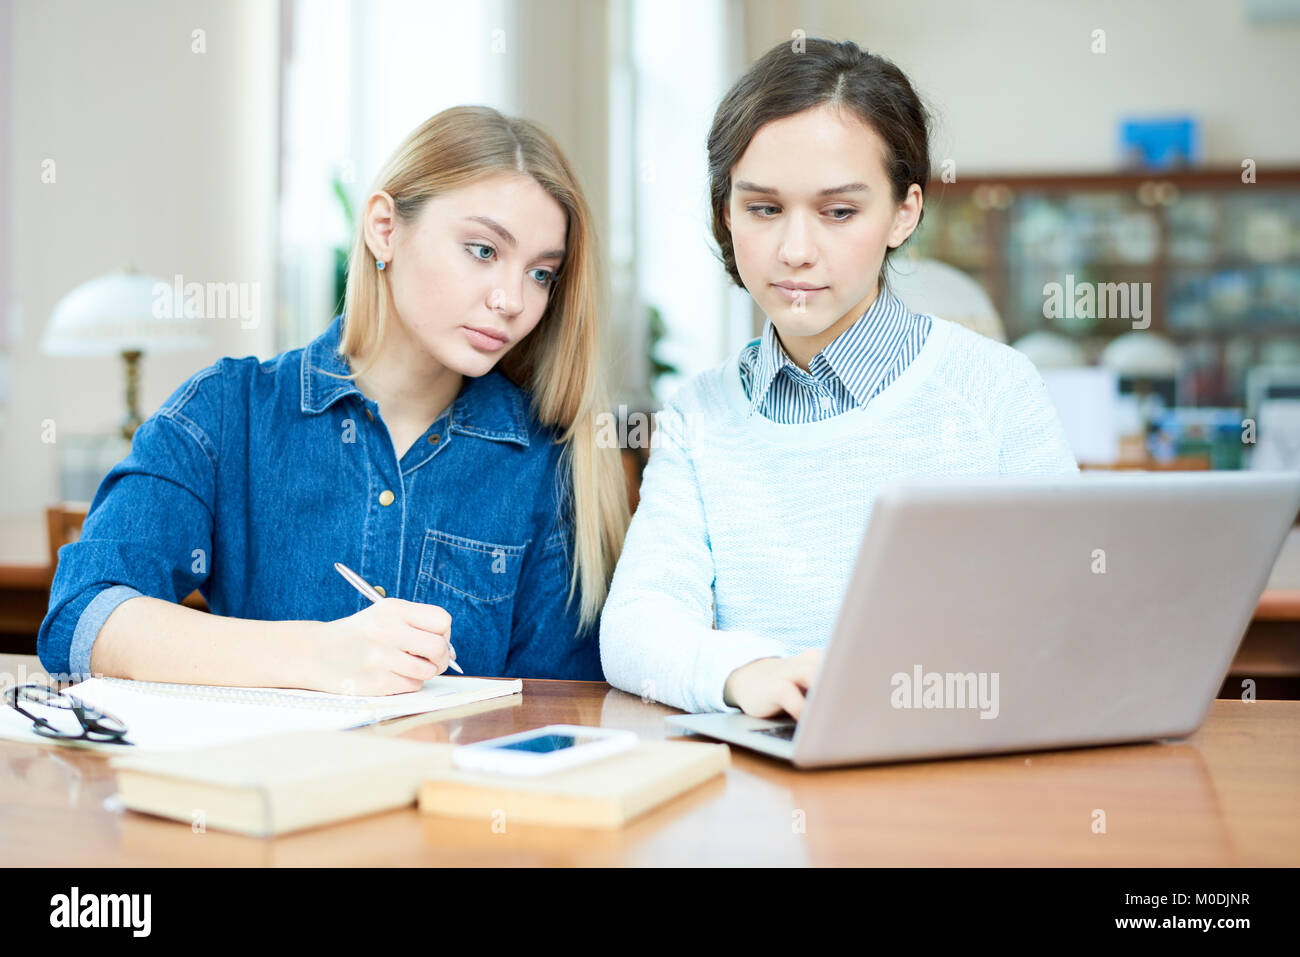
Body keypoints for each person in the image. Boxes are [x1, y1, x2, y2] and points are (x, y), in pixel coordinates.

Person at [39, 106, 629, 695]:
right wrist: (317, 655)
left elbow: (557, 713)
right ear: (384, 228)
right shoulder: (227, 413)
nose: (512, 300)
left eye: (541, 274)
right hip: (264, 783)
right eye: (482, 250)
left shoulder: (547, 462)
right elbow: (81, 618)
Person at [600, 39, 1078, 718]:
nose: (796, 250)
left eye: (839, 212)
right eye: (764, 209)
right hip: (765, 779)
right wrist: (749, 673)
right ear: (725, 213)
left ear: (904, 213)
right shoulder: (697, 414)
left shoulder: (996, 387)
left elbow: (1068, 610)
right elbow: (638, 626)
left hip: (962, 769)